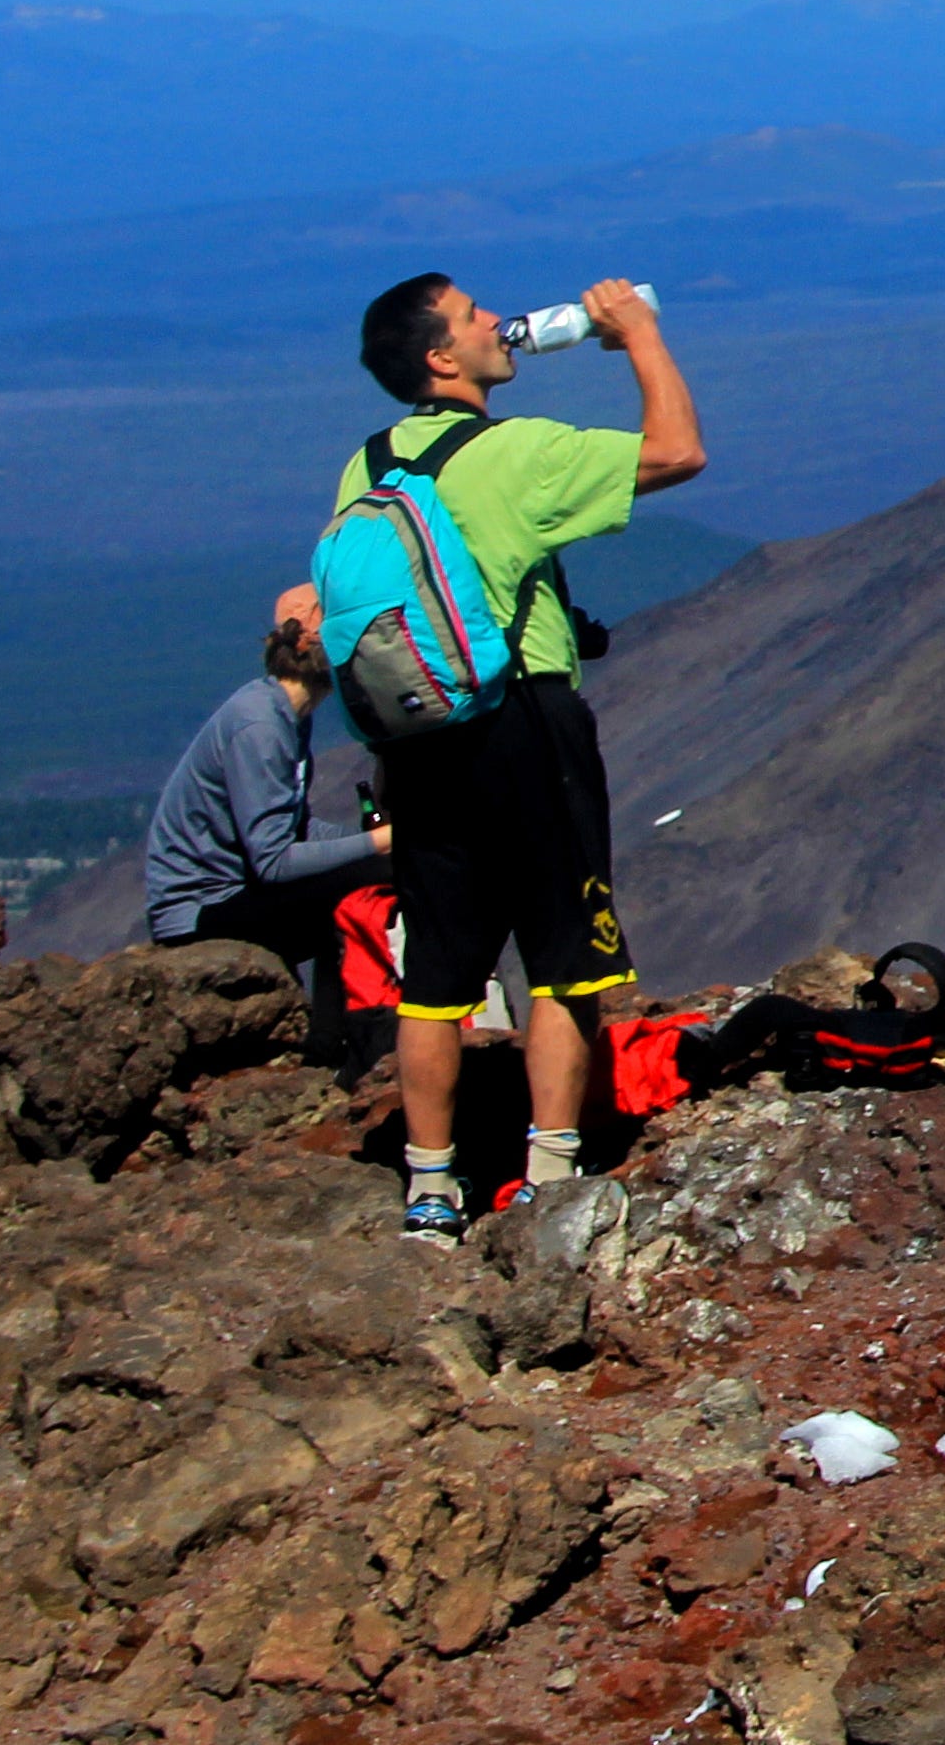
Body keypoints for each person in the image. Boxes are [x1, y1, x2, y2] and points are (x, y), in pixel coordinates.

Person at [339, 272, 704, 1240]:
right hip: (526, 726)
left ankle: (429, 1184)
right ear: (441, 357)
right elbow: (677, 450)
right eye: (471, 317)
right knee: (562, 964)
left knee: (438, 978)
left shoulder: (366, 465)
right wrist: (635, 336)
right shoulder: (516, 453)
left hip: (418, 739)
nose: (498, 323)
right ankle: (549, 1174)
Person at [138, 599, 397, 1061]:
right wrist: (378, 844)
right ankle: (346, 1048)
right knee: (372, 883)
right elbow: (275, 861)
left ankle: (334, 1043)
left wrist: (375, 841)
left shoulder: (284, 715)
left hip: (231, 896)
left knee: (373, 871)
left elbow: (295, 828)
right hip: (200, 915)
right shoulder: (260, 724)